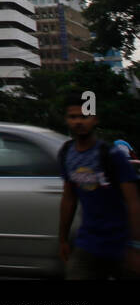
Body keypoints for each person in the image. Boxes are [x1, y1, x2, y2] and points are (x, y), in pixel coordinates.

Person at [58, 97, 140, 279]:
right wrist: (62, 239)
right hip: (88, 244)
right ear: (66, 120)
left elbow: (133, 203)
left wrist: (135, 247)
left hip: (121, 244)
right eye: (73, 117)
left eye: (84, 116)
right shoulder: (66, 154)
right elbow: (69, 198)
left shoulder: (111, 155)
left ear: (95, 119)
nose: (78, 122)